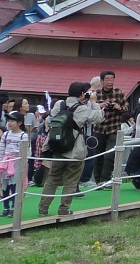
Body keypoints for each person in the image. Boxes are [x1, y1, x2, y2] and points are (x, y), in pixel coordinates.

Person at [38, 81, 103, 218]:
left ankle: (43, 208)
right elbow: (99, 118)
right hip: (75, 151)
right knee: (71, 181)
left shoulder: (59, 104)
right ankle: (64, 209)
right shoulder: (82, 108)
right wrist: (94, 102)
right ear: (81, 94)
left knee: (52, 179)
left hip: (58, 148)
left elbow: (50, 119)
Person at [93, 70, 127, 184]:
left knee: (110, 154)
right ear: (102, 81)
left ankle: (106, 179)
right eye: (107, 79)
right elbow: (89, 108)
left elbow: (127, 109)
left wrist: (118, 107)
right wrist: (100, 105)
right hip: (99, 129)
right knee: (98, 155)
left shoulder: (119, 93)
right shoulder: (95, 94)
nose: (110, 82)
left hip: (114, 128)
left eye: (112, 79)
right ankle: (98, 180)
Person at [0, 112, 27, 216]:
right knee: (4, 186)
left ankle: (14, 207)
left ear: (19, 123)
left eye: (12, 121)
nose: (9, 123)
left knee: (14, 186)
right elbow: (1, 151)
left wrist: (23, 166)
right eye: (8, 121)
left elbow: (26, 152)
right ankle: (5, 207)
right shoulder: (6, 134)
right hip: (5, 163)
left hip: (16, 163)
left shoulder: (23, 135)